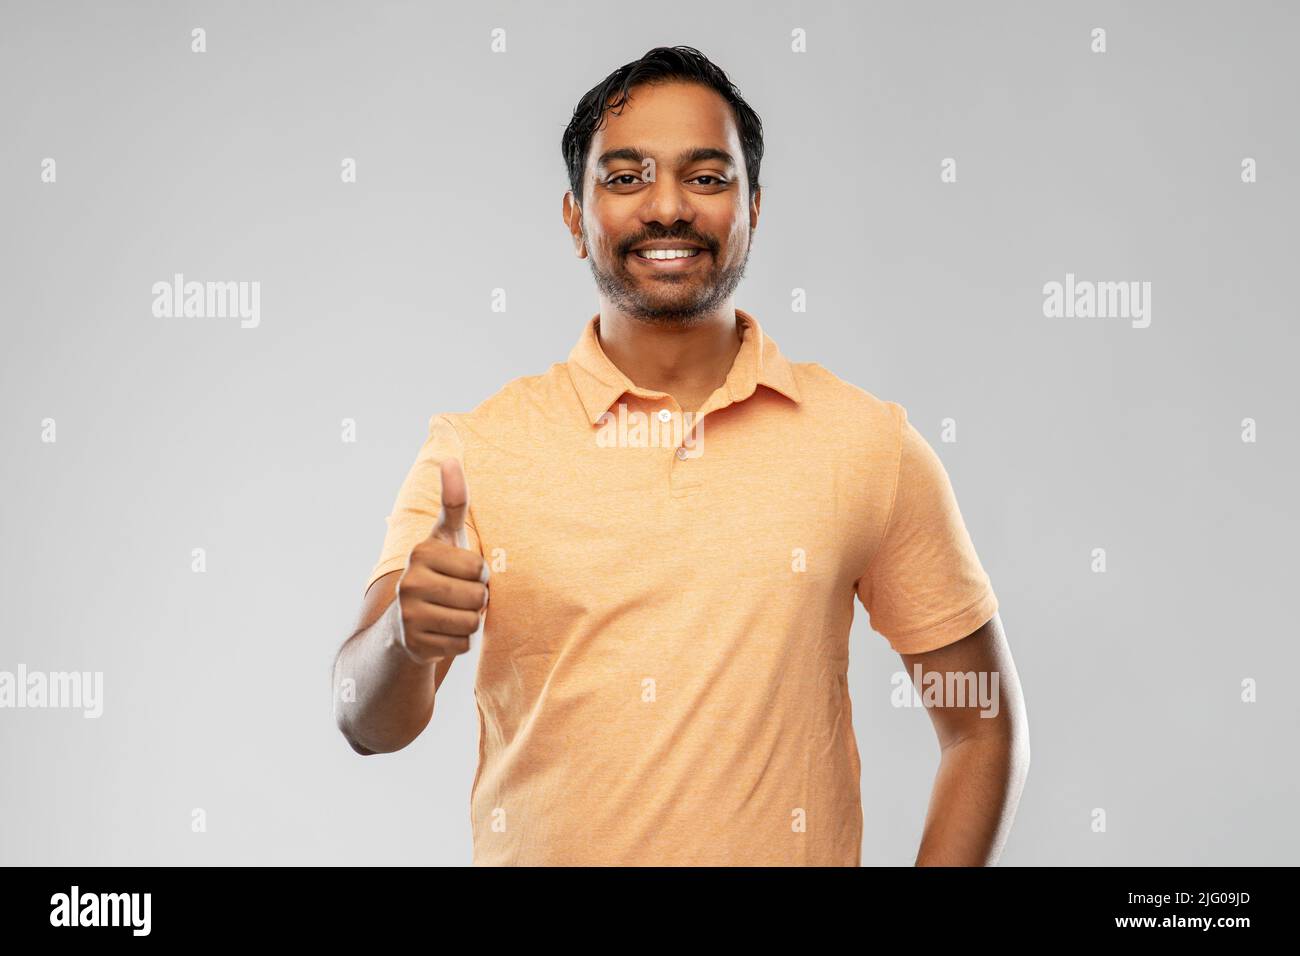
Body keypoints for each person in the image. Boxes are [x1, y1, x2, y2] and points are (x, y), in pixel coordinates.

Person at [332, 45, 1029, 866]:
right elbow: (364, 721)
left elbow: (981, 726)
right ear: (573, 217)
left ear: (754, 208)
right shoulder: (473, 453)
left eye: (706, 177)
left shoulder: (867, 444)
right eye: (625, 178)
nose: (667, 207)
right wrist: (405, 644)